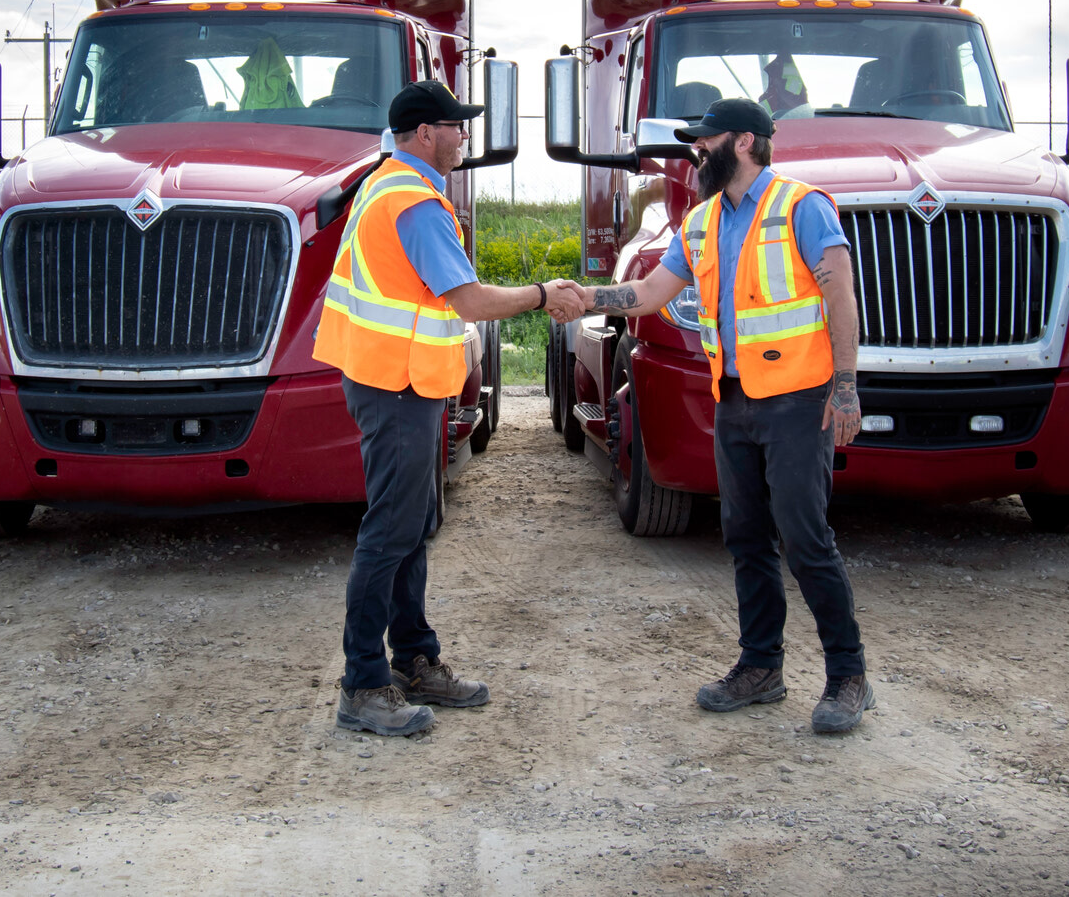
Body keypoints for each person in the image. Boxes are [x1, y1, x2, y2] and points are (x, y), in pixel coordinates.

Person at [573, 97, 876, 734]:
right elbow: (652, 291)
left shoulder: (803, 206)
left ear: (744, 142)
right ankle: (761, 667)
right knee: (744, 538)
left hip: (798, 403)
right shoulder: (704, 221)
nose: (694, 153)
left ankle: (848, 676)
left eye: (705, 142)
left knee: (805, 538)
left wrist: (845, 388)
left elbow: (840, 295)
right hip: (734, 401)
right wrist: (582, 297)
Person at [314, 79, 585, 736]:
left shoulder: (386, 185)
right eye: (457, 124)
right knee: (390, 532)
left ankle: (413, 657)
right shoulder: (414, 201)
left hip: (398, 381)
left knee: (412, 524)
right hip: (397, 385)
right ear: (427, 132)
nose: (465, 133)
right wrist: (543, 291)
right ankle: (363, 682)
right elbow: (468, 301)